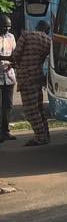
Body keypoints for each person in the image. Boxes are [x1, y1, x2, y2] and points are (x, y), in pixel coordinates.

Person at [11, 20, 52, 146]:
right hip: (38, 77)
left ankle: (40, 137)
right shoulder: (48, 41)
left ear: (37, 27)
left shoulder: (26, 35)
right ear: (47, 30)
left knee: (30, 111)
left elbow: (16, 55)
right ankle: (45, 133)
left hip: (26, 78)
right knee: (39, 108)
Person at [0, 15, 16, 143]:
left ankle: (5, 131)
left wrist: (14, 61)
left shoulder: (11, 37)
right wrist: (6, 59)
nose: (7, 29)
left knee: (8, 105)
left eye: (9, 27)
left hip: (9, 76)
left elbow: (15, 53)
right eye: (4, 26)